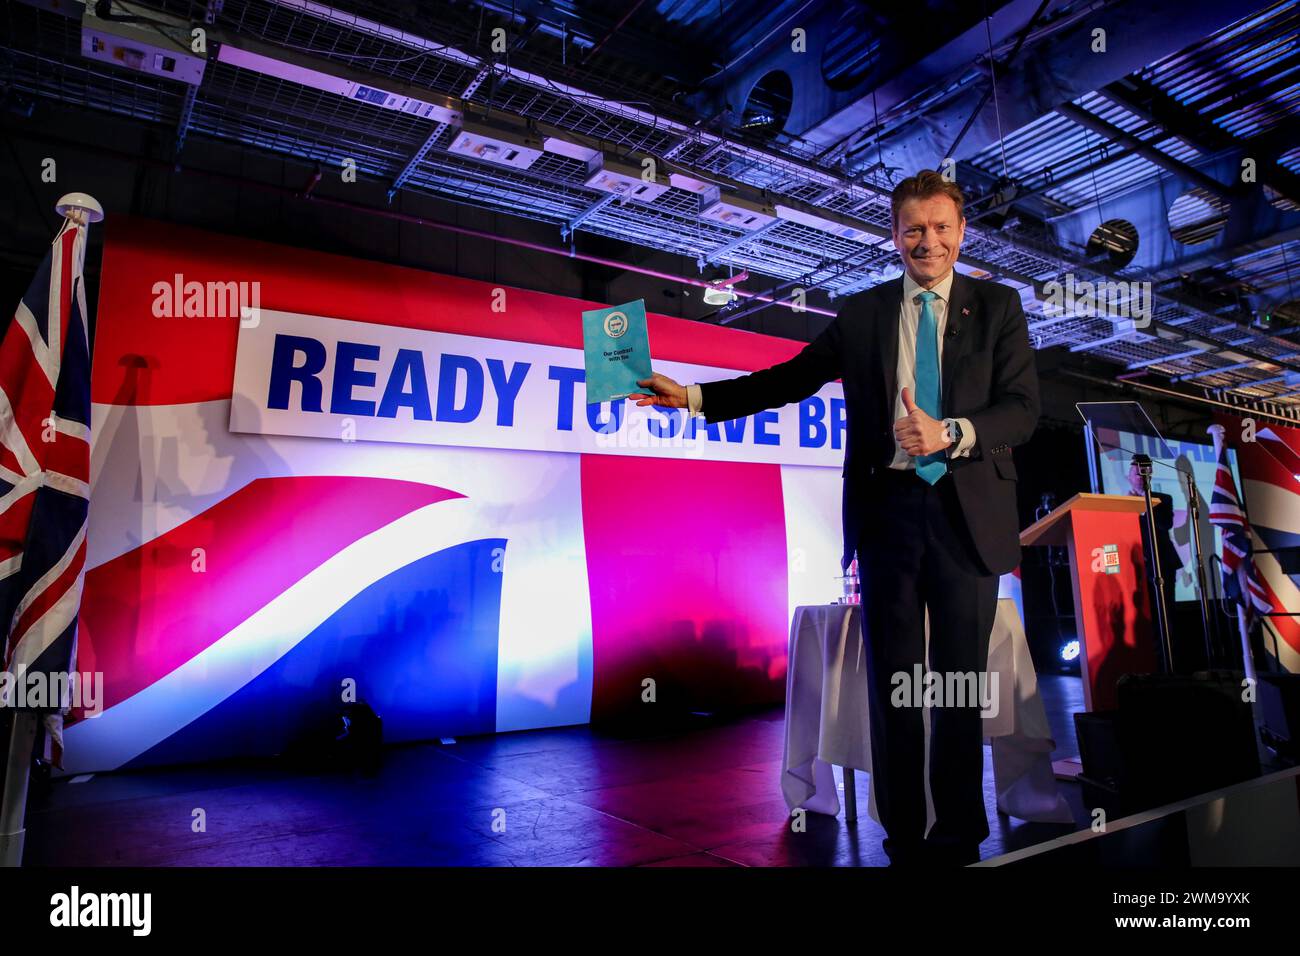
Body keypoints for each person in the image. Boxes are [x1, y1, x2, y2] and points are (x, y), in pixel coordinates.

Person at [631, 170, 1040, 866]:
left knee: (960, 686)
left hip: (966, 515)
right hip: (888, 516)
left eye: (941, 228)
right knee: (895, 687)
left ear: (962, 233)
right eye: (914, 228)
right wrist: (693, 398)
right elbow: (787, 380)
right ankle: (906, 836)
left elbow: (1023, 410)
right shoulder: (864, 314)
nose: (928, 241)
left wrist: (953, 432)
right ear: (894, 235)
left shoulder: (997, 307)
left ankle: (961, 835)